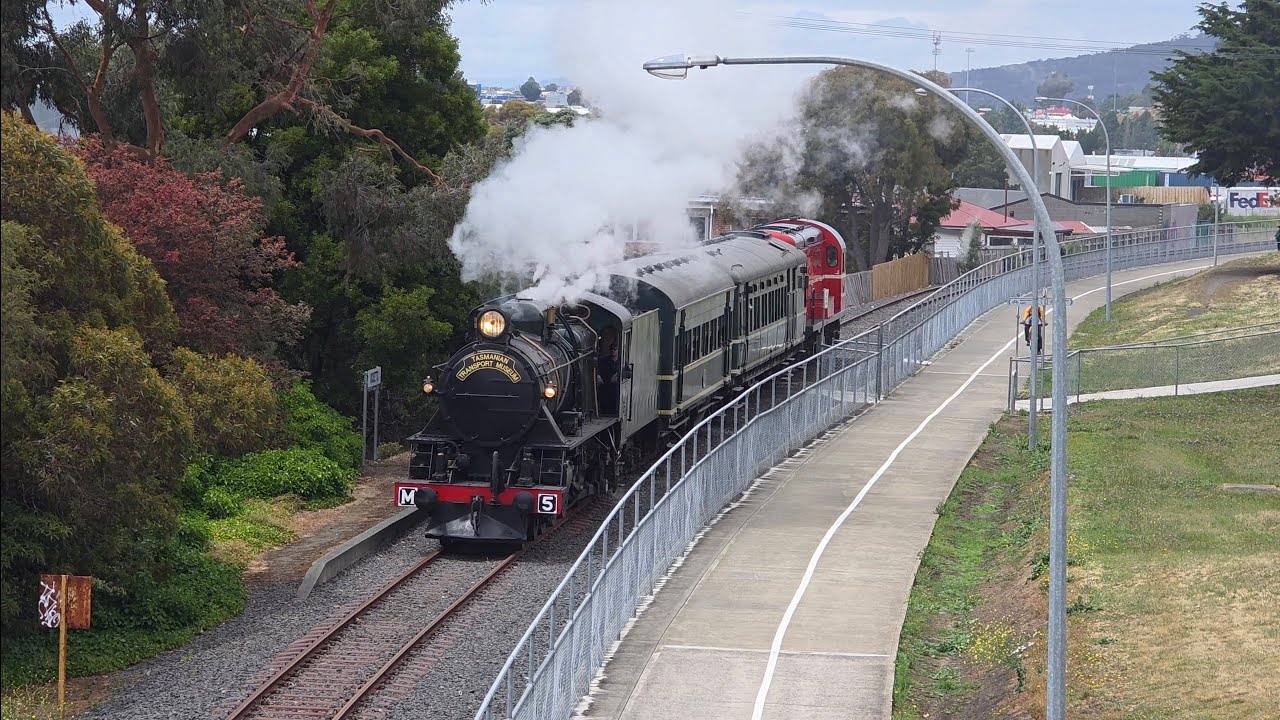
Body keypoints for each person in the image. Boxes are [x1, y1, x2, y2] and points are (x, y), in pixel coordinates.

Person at [597, 343, 620, 415]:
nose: (613, 351)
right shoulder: (604, 360)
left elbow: (629, 373)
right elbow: (597, 369)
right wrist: (597, 375)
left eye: (614, 349)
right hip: (605, 388)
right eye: (611, 349)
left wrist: (619, 375)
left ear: (618, 350)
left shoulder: (621, 362)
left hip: (615, 390)